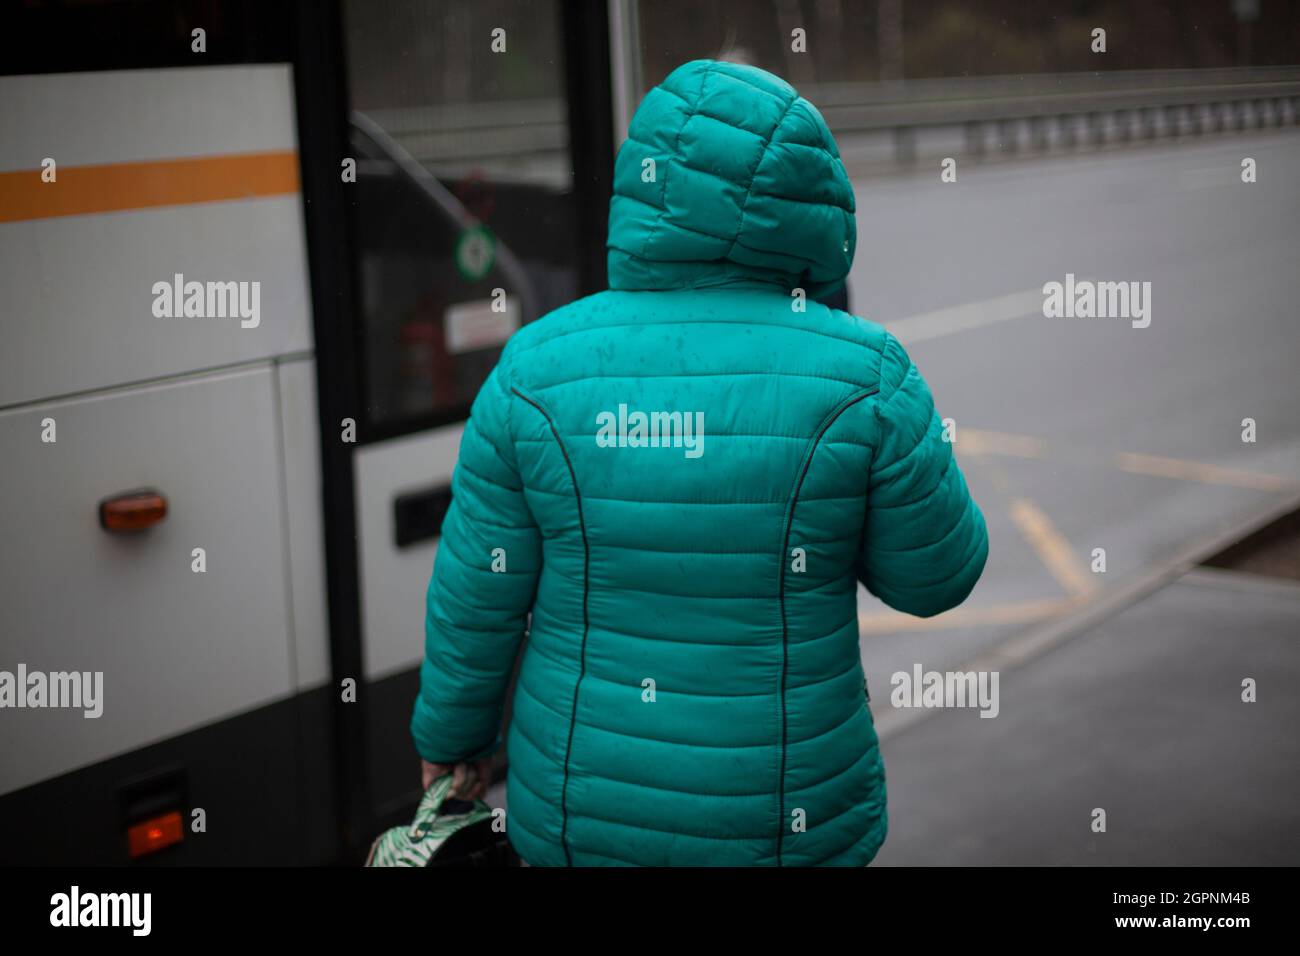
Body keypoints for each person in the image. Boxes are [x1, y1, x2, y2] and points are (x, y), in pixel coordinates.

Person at [412, 59, 988, 866]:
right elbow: (937, 577)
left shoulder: (534, 368)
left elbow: (478, 595)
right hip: (787, 822)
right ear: (814, 203)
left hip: (579, 817)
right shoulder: (867, 375)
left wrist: (451, 743)